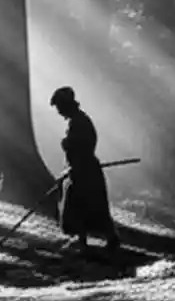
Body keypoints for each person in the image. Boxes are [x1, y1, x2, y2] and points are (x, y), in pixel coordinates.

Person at [50, 86, 121, 251]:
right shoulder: (77, 120)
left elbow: (82, 145)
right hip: (81, 170)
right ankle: (81, 238)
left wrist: (67, 144)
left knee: (92, 205)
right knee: (77, 205)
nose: (59, 111)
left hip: (86, 171)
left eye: (59, 107)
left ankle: (111, 239)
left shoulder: (79, 122)